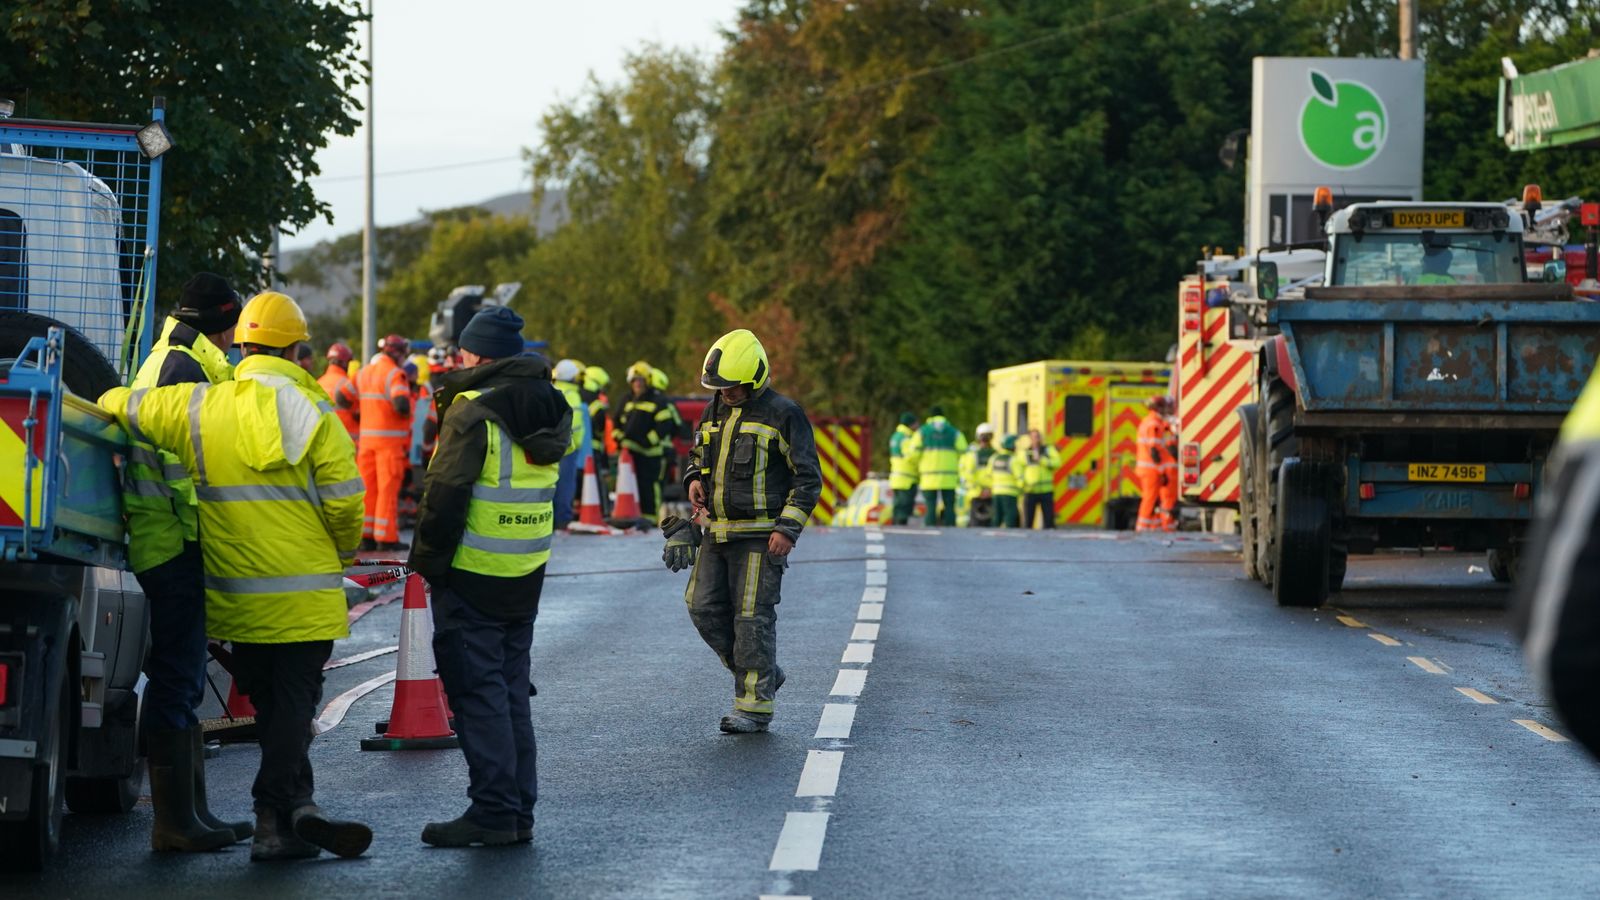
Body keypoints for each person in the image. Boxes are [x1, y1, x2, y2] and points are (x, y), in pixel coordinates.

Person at [100, 291, 371, 863]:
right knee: (294, 705)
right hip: (304, 598)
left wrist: (105, 392)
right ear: (295, 350)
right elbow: (346, 502)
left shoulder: (202, 407)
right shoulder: (315, 410)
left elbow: (125, 404)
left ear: (242, 347)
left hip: (239, 599)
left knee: (272, 706)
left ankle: (293, 813)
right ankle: (276, 814)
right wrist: (343, 552)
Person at [408, 305, 573, 847]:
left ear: (478, 355)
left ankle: (495, 811)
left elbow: (444, 496)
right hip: (524, 570)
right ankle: (518, 811)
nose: (458, 358)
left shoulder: (472, 411)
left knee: (479, 696)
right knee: (509, 693)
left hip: (471, 574)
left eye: (463, 351)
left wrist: (425, 565)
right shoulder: (552, 405)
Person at [120, 272, 245, 852]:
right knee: (177, 676)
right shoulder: (184, 369)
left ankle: (193, 813)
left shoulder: (170, 358)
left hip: (163, 537)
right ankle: (175, 822)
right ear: (223, 325)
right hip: (174, 541)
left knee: (185, 674)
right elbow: (191, 470)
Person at [665, 328, 820, 733]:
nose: (725, 393)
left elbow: (807, 479)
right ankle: (763, 672)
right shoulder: (713, 410)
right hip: (715, 532)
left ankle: (754, 707)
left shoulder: (785, 414)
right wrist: (693, 478)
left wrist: (787, 529)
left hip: (761, 536)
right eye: (719, 387)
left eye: (732, 387)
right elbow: (697, 453)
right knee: (701, 607)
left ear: (755, 377)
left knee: (751, 618)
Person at [356, 333, 413, 551]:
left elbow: (344, 397)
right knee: (387, 491)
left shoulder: (364, 372)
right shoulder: (395, 374)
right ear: (398, 353)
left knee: (368, 490)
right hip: (389, 445)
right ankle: (386, 537)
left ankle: (367, 536)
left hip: (366, 443)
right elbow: (401, 405)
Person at [616, 360, 677, 516]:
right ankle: (631, 515)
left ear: (647, 381)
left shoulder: (657, 400)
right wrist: (620, 439)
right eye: (635, 380)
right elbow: (616, 422)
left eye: (641, 380)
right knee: (629, 485)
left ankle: (650, 518)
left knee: (648, 487)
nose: (637, 383)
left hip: (650, 453)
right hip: (629, 453)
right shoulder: (627, 400)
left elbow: (664, 425)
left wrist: (648, 441)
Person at [551, 358, 592, 529]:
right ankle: (563, 518)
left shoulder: (553, 390)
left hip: (553, 445)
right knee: (566, 483)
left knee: (552, 482)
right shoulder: (572, 394)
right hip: (568, 447)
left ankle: (553, 518)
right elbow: (574, 424)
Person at [908, 406, 967, 527]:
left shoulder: (922, 432)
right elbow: (964, 451)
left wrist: (917, 465)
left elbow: (912, 454)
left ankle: (930, 527)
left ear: (930, 417)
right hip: (949, 476)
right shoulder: (954, 432)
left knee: (930, 505)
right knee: (949, 505)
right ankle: (951, 526)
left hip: (928, 476)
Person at [1136, 395, 1176, 532]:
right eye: (1164, 407)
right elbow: (1154, 452)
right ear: (1159, 408)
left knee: (1154, 500)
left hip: (1148, 469)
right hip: (1151, 470)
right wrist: (1162, 470)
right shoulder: (1154, 424)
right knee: (1150, 499)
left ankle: (1152, 527)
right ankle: (1142, 528)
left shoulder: (1150, 421)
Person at [580, 364, 612, 514]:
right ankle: (602, 512)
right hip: (594, 451)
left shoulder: (575, 395)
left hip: (575, 449)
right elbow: (601, 429)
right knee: (596, 483)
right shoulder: (597, 404)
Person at [1021, 428, 1062, 529]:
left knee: (1049, 522)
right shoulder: (1025, 452)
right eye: (1034, 437)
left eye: (1038, 436)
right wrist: (1022, 484)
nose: (1036, 439)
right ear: (1030, 438)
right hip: (1030, 490)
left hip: (1046, 491)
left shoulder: (1048, 450)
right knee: (1028, 522)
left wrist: (1042, 460)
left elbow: (1057, 463)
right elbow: (1019, 468)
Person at [319, 341, 360, 443]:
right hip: (347, 438)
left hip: (325, 439)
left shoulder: (318, 383)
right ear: (344, 363)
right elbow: (358, 411)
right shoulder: (347, 384)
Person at [959, 422, 996, 527]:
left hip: (988, 494)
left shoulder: (995, 454)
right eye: (983, 437)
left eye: (987, 437)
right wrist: (983, 490)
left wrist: (988, 490)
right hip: (978, 495)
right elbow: (967, 475)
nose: (985, 440)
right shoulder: (972, 454)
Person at [888, 412, 920, 526]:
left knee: (898, 506)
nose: (918, 426)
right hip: (907, 478)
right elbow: (911, 457)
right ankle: (901, 528)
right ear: (910, 424)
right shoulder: (907, 439)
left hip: (897, 478)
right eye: (916, 423)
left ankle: (896, 526)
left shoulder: (896, 436)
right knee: (904, 507)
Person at [989, 435, 1022, 528]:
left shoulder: (994, 458)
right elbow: (1020, 478)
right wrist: (1022, 490)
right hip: (1010, 494)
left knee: (996, 518)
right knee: (1010, 519)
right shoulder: (1014, 460)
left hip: (996, 492)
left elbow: (988, 475)